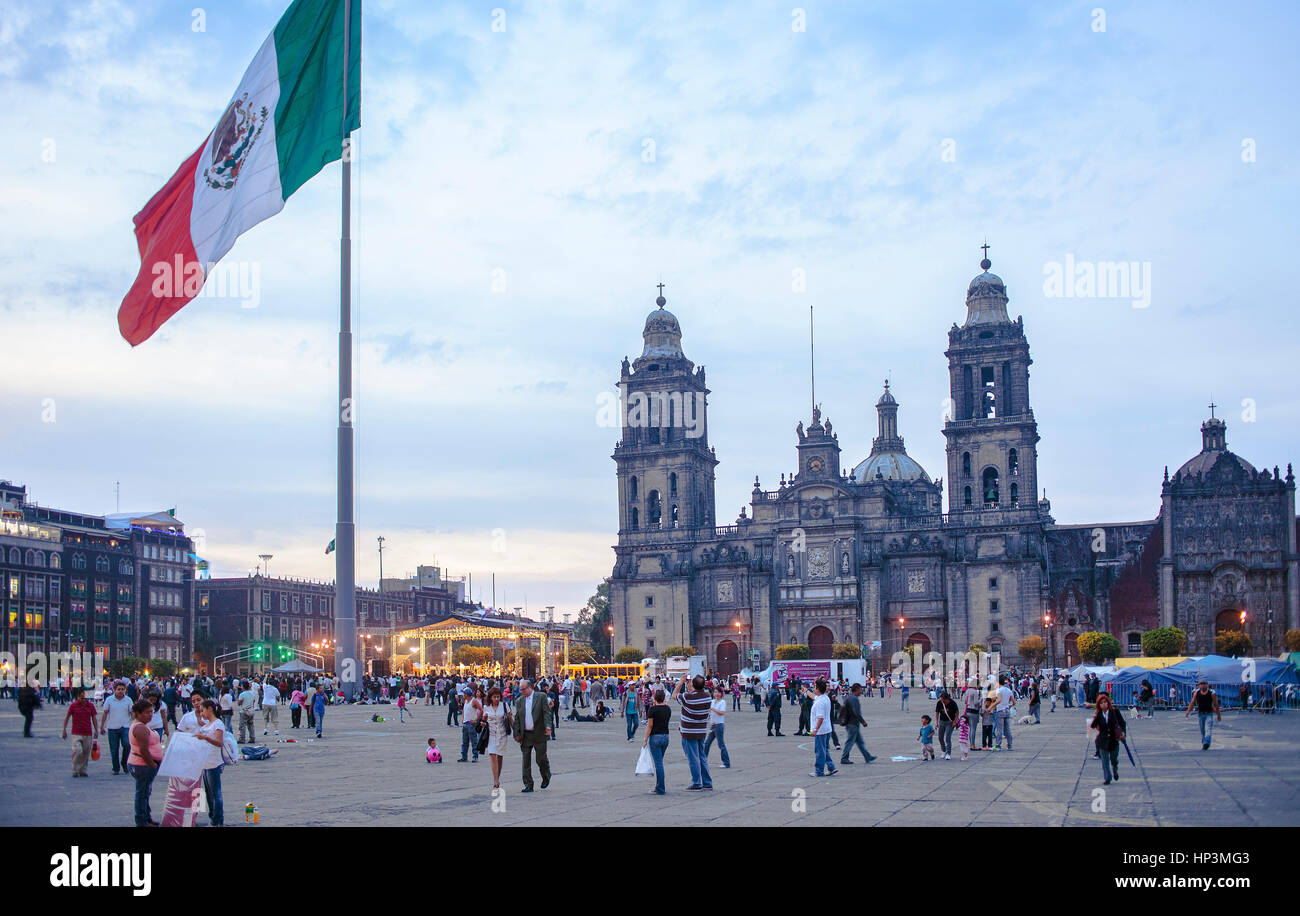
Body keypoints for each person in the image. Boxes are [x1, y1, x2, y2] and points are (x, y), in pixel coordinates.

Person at [673, 674, 714, 790]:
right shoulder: (707, 696)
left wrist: (681, 682)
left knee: (693, 758)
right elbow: (697, 694)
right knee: (702, 756)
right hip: (701, 731)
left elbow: (674, 695)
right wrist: (693, 688)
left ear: (693, 685)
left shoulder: (687, 697)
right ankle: (707, 782)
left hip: (688, 732)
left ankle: (696, 782)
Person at [126, 699, 163, 826]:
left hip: (144, 764)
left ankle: (146, 817)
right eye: (147, 712)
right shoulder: (140, 728)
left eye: (151, 712)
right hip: (142, 765)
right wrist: (151, 764)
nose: (150, 715)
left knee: (145, 792)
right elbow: (143, 750)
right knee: (142, 793)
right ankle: (141, 820)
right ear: (138, 713)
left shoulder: (142, 725)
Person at [512, 678, 552, 792]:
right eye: (520, 690)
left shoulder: (541, 697)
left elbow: (546, 713)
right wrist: (517, 733)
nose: (522, 692)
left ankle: (546, 775)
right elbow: (517, 718)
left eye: (523, 689)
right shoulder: (519, 701)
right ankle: (528, 784)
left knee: (541, 759)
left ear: (530, 688)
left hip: (539, 733)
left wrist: (548, 726)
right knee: (526, 760)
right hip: (526, 735)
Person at [192, 699, 227, 826]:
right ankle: (212, 817)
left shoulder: (217, 724)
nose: (201, 713)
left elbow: (219, 742)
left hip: (214, 763)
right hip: (205, 763)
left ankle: (218, 820)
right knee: (208, 794)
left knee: (215, 793)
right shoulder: (206, 726)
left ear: (210, 709)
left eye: (202, 710)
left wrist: (205, 737)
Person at [1090, 692, 1126, 785]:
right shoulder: (1098, 714)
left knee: (1114, 759)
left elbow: (1122, 723)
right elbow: (1093, 726)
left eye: (1105, 702)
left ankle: (1115, 769)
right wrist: (1094, 719)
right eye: (1101, 703)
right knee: (1104, 761)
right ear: (1099, 705)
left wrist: (1123, 733)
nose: (1103, 704)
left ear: (1108, 703)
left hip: (1114, 740)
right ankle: (1107, 778)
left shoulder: (1115, 712)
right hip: (1102, 741)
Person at [62, 687, 99, 777]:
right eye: (81, 698)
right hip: (76, 732)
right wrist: (64, 730)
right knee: (77, 750)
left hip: (87, 732)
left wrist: (96, 730)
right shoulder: (73, 706)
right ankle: (75, 769)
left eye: (85, 698)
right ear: (78, 697)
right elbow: (67, 717)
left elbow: (94, 718)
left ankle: (82, 769)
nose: (83, 700)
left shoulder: (90, 706)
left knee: (86, 752)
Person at [100, 681, 134, 775]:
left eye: (122, 689)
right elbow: (105, 713)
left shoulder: (128, 700)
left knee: (127, 745)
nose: (120, 691)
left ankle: (124, 762)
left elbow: (132, 713)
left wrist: (135, 723)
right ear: (114, 690)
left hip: (125, 727)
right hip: (112, 727)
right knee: (114, 749)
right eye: (118, 689)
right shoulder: (109, 700)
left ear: (125, 690)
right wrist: (102, 726)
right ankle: (116, 767)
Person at [806, 680, 838, 778]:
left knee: (819, 751)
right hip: (826, 728)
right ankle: (831, 767)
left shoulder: (820, 702)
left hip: (821, 730)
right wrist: (806, 691)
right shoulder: (824, 698)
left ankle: (819, 770)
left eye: (815, 687)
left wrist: (815, 730)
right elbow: (814, 697)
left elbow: (820, 717)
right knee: (824, 749)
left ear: (818, 689)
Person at [642, 688, 671, 795]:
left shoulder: (652, 710)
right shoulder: (668, 709)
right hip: (665, 736)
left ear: (654, 698)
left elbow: (650, 725)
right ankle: (659, 785)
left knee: (658, 764)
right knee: (660, 762)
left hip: (655, 737)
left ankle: (660, 787)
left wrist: (645, 739)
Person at [839, 683, 876, 764]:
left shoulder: (850, 698)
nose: (861, 691)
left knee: (859, 742)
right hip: (852, 723)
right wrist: (863, 721)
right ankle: (844, 758)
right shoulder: (854, 699)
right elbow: (856, 712)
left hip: (852, 723)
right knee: (850, 741)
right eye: (860, 689)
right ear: (856, 689)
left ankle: (867, 756)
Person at [482, 686, 510, 791]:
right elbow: (483, 723)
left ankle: (497, 777)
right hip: (491, 734)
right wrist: (483, 721)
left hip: (502, 734)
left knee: (500, 756)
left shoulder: (504, 705)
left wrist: (516, 731)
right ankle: (495, 781)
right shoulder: (486, 707)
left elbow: (510, 718)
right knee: (493, 755)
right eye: (494, 697)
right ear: (490, 698)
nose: (496, 699)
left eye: (498, 697)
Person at [1186, 679, 1221, 750]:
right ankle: (1204, 742)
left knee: (1208, 729)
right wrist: (1188, 711)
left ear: (1207, 685)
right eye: (1201, 684)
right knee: (1202, 730)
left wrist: (1218, 714)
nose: (1202, 685)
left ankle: (1206, 743)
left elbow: (1216, 704)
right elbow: (1192, 702)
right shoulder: (1197, 693)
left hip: (1209, 713)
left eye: (1204, 684)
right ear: (1199, 685)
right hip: (1200, 714)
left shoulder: (1211, 693)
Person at [702, 685, 731, 769]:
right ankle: (703, 760)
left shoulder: (722, 702)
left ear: (721, 694)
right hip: (713, 725)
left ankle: (726, 763)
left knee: (721, 744)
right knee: (707, 743)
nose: (716, 694)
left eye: (718, 692)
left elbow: (721, 712)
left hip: (719, 725)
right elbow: (709, 712)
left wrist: (712, 709)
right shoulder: (712, 701)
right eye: (715, 692)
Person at [459, 686, 484, 763]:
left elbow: (481, 710)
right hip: (465, 723)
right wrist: (463, 719)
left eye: (464, 693)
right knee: (464, 742)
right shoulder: (466, 701)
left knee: (474, 741)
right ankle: (464, 756)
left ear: (467, 694)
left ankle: (475, 756)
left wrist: (476, 720)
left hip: (471, 724)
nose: (463, 695)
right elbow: (464, 710)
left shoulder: (474, 701)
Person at [934, 691, 960, 760]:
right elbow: (937, 713)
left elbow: (957, 713)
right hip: (942, 721)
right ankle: (943, 750)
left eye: (943, 700)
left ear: (946, 699)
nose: (942, 701)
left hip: (950, 722)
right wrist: (937, 722)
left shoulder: (952, 703)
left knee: (947, 738)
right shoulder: (939, 703)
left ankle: (948, 753)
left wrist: (955, 721)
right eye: (941, 699)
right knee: (940, 737)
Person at [994, 675, 1014, 750]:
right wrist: (1009, 706)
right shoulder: (1008, 690)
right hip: (1006, 710)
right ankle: (1010, 745)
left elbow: (998, 700)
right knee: (1007, 729)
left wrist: (990, 707)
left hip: (1000, 710)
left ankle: (998, 745)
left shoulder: (999, 690)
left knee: (999, 729)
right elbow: (1013, 702)